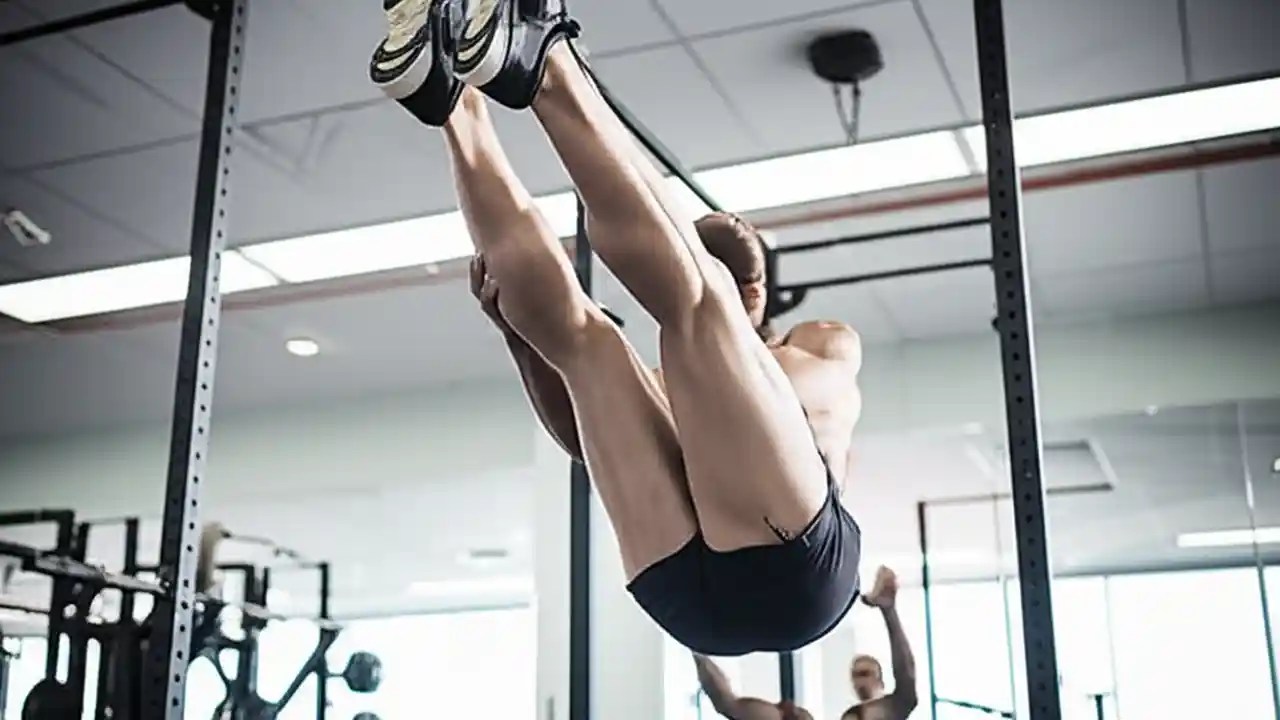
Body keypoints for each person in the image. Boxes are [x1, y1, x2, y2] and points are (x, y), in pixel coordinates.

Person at [369, 0, 863, 655]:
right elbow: (583, 435)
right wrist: (527, 340)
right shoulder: (669, 374)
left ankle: (542, 60)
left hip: (788, 577)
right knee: (584, 341)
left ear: (759, 292)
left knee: (664, 318)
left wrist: (527, 338)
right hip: (689, 598)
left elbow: (613, 420)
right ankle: (451, 104)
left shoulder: (816, 346)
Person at [691, 566, 918, 720]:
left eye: (866, 673)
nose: (861, 681)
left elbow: (907, 691)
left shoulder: (873, 713)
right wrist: (694, 643)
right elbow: (728, 703)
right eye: (857, 674)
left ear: (880, 678)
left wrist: (889, 611)